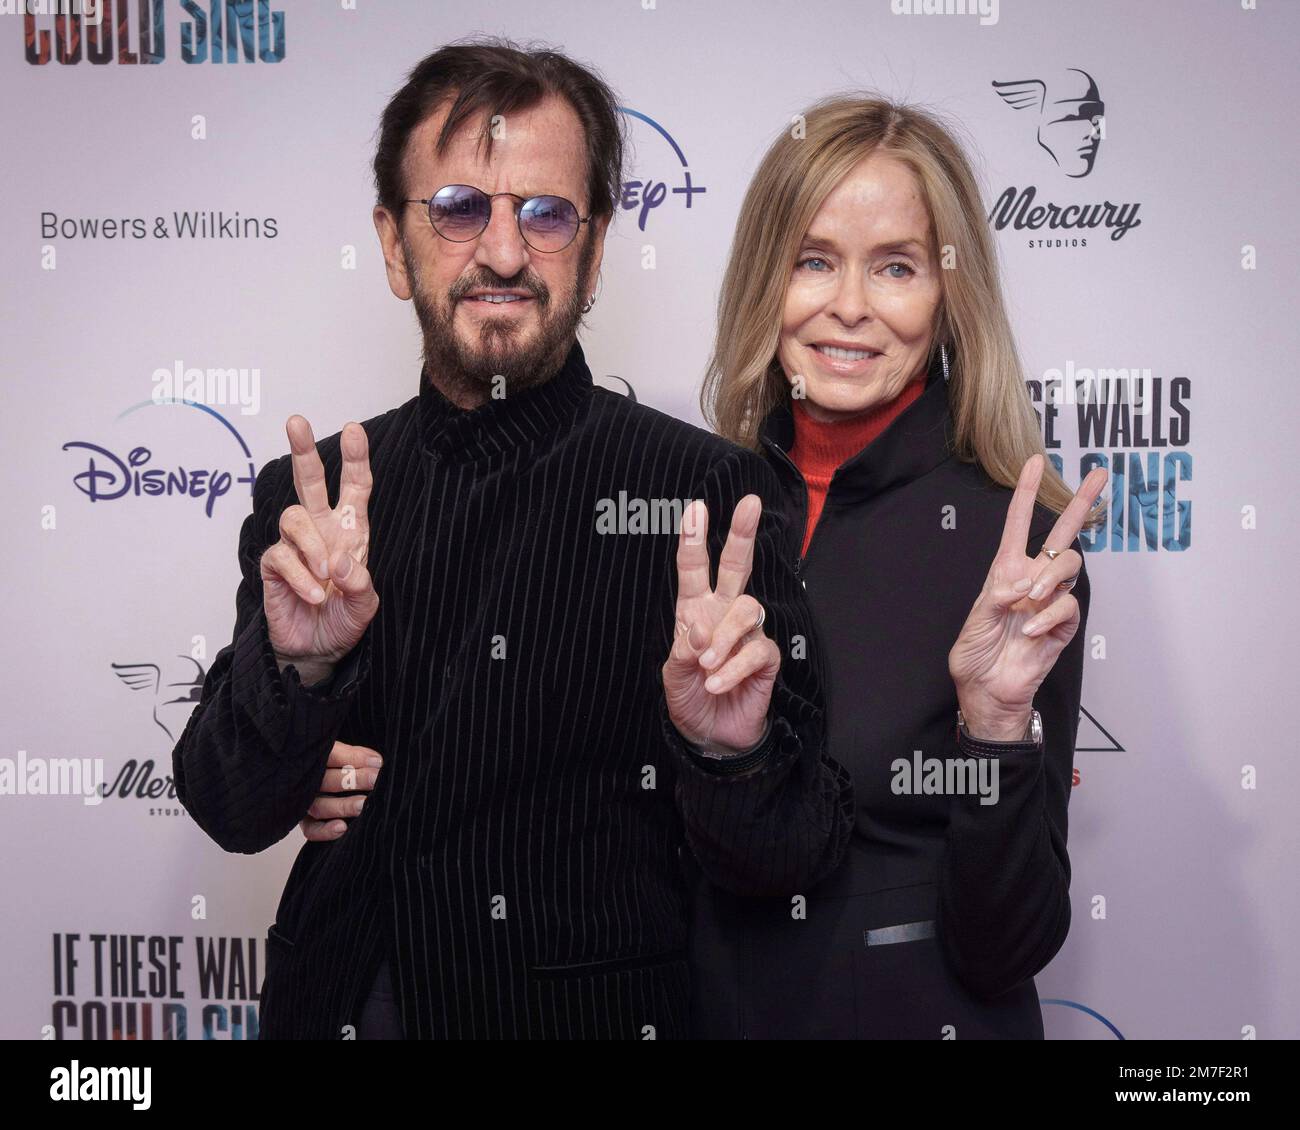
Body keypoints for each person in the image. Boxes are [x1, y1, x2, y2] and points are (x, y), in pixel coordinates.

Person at [171, 39, 852, 1040]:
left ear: (595, 244)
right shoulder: (308, 497)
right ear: (395, 245)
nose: (500, 251)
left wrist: (725, 747)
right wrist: (297, 668)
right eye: (457, 208)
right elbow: (230, 808)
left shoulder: (703, 494)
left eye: (544, 212)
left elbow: (794, 854)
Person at [684, 94, 1108, 1039]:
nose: (850, 307)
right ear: (766, 276)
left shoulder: (1017, 549)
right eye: (814, 260)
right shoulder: (695, 519)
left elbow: (1009, 948)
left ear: (950, 295)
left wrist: (996, 733)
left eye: (897, 268)